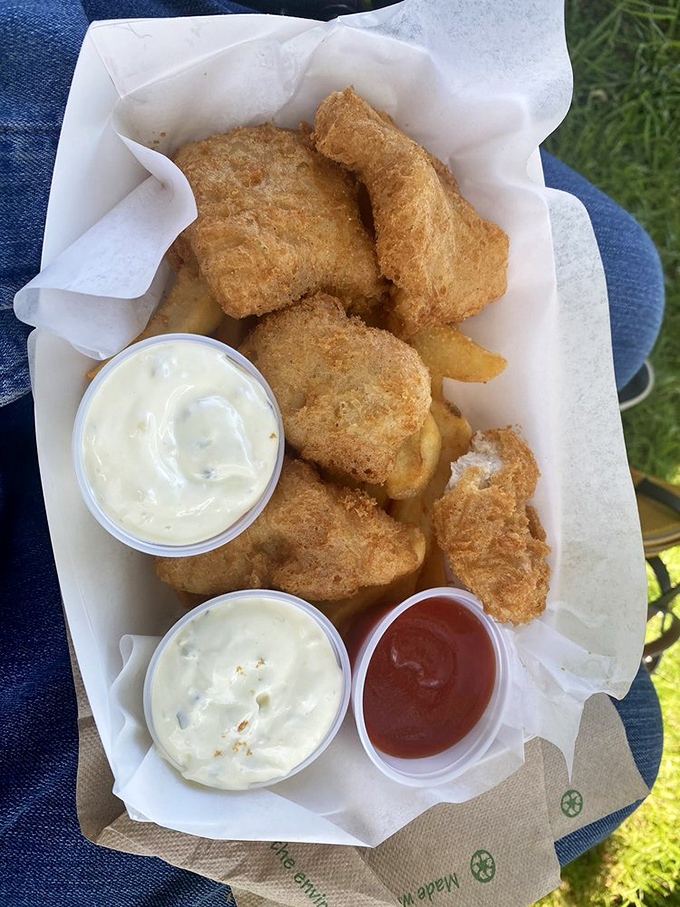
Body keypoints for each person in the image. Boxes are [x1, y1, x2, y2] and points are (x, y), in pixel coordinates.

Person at [0, 1, 664, 903]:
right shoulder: (342, 366)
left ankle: (609, 389)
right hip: (205, 411)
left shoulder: (339, 365)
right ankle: (611, 390)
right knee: (629, 292)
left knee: (626, 292)